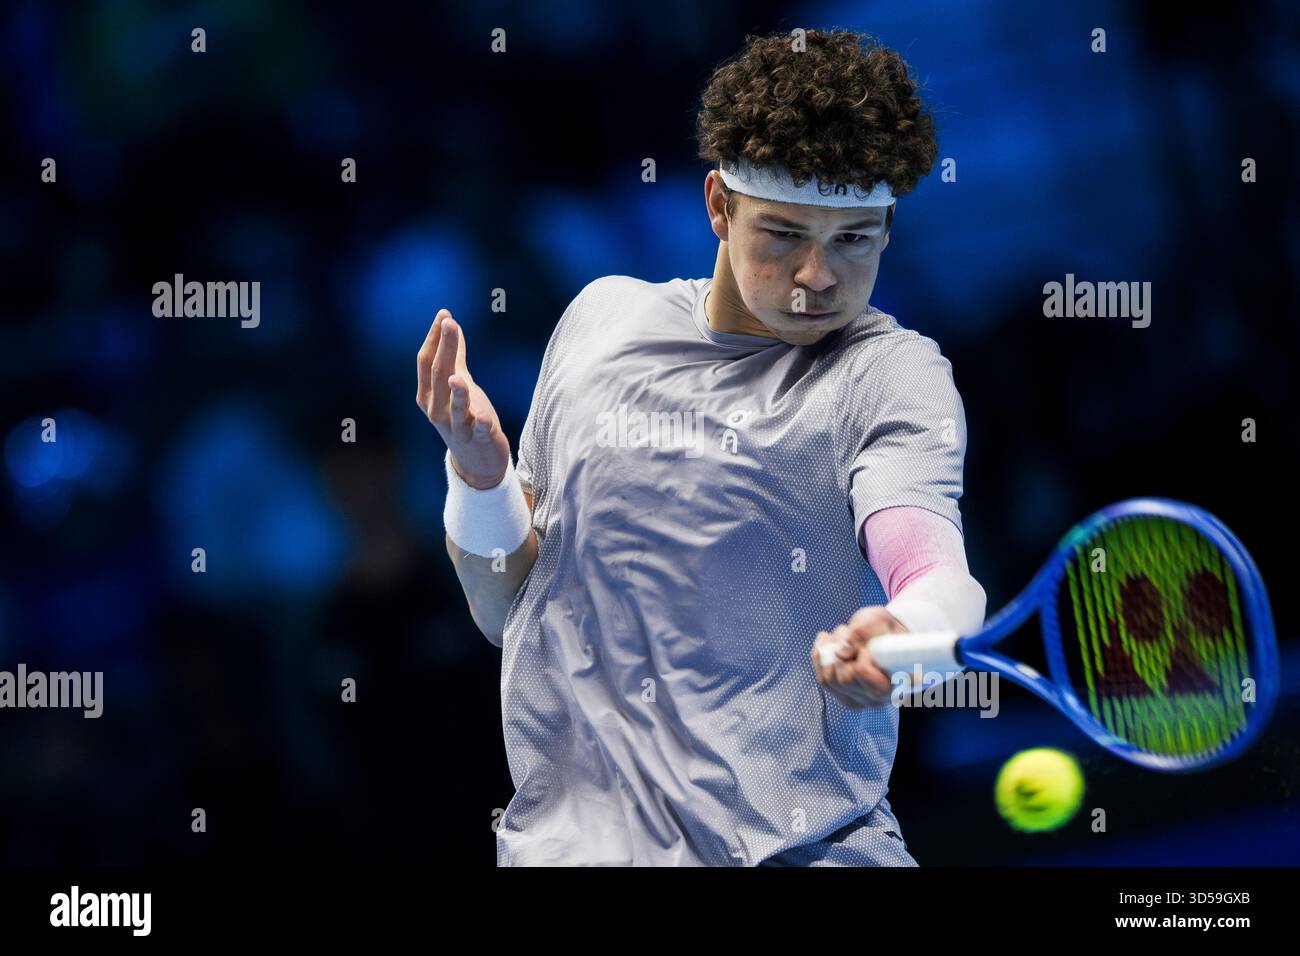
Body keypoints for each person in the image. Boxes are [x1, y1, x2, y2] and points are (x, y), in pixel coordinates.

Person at [416, 28, 986, 866]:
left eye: (854, 239)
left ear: (888, 226)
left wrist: (903, 636)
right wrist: (482, 480)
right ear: (719, 204)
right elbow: (510, 614)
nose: (819, 276)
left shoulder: (891, 373)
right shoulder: (599, 323)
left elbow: (936, 574)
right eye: (785, 234)